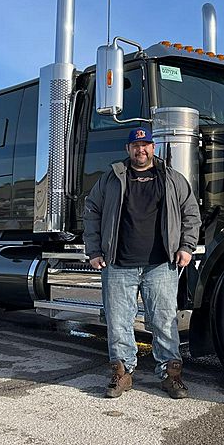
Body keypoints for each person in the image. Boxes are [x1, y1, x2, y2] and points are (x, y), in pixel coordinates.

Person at [83, 127, 201, 399]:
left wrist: (186, 246)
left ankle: (170, 375)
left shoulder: (171, 178)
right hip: (118, 264)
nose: (141, 150)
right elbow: (92, 210)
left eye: (146, 144)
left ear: (153, 148)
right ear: (128, 149)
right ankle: (122, 373)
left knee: (164, 322)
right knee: (118, 322)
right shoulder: (111, 178)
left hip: (160, 264)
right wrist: (94, 250)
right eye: (136, 146)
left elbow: (190, 212)